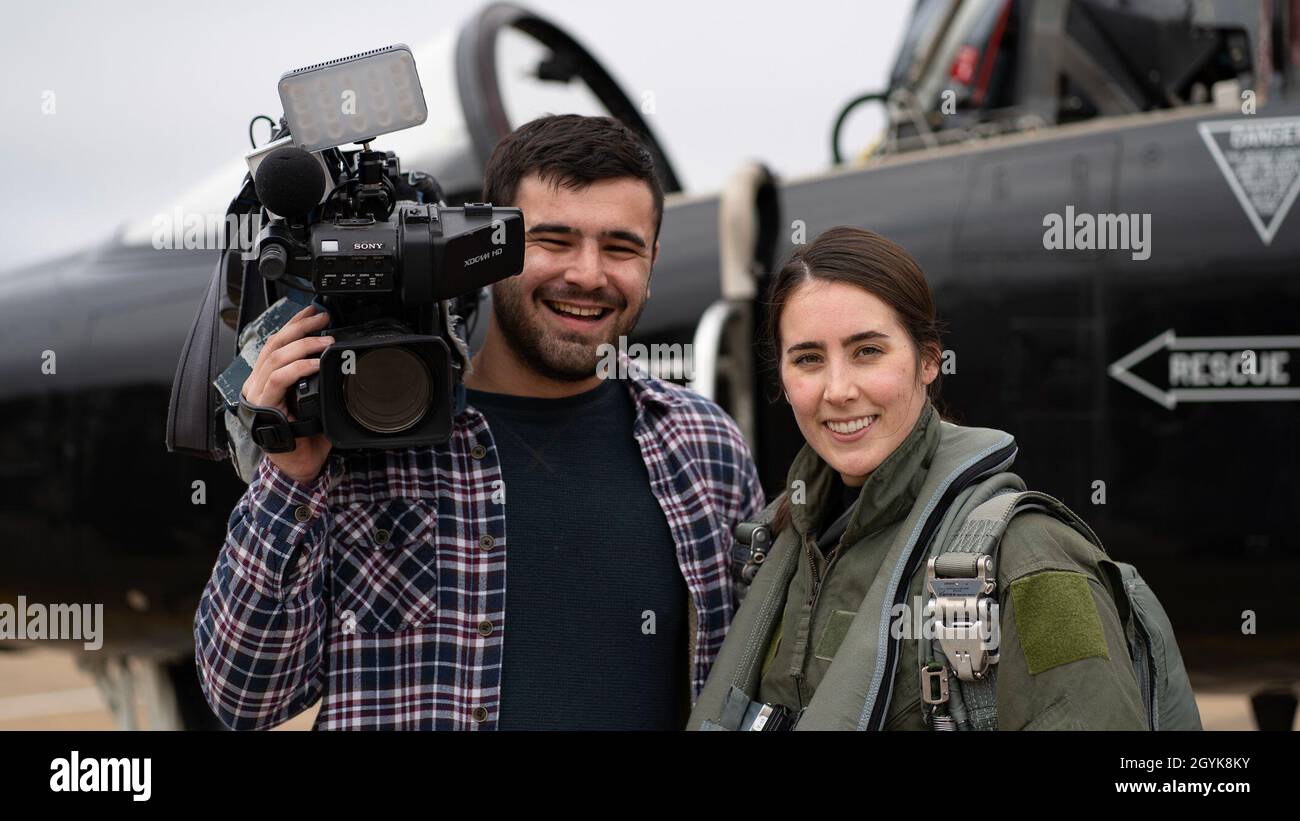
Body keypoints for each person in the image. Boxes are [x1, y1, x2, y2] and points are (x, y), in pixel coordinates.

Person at [195, 114, 765, 730]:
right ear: (490, 249)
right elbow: (246, 697)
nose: (588, 274)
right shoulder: (355, 442)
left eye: (621, 247)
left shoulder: (706, 448)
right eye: (555, 240)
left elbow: (754, 675)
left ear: (653, 259)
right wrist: (289, 477)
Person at [689, 226, 1147, 730]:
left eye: (868, 351)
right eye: (809, 359)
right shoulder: (779, 545)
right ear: (783, 376)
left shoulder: (1028, 557)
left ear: (928, 360)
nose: (838, 390)